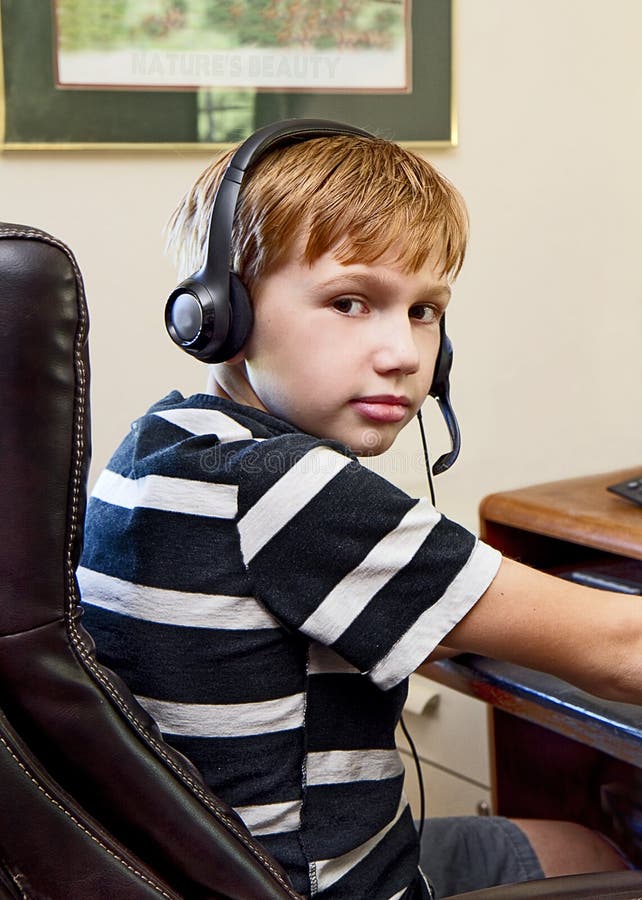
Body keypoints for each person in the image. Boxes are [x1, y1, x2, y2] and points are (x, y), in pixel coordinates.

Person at [78, 121, 639, 899]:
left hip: (203, 871)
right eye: (350, 302)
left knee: (576, 843)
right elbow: (622, 649)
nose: (405, 355)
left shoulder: (164, 443)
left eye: (423, 311)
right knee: (603, 855)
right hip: (322, 885)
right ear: (222, 314)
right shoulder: (284, 487)